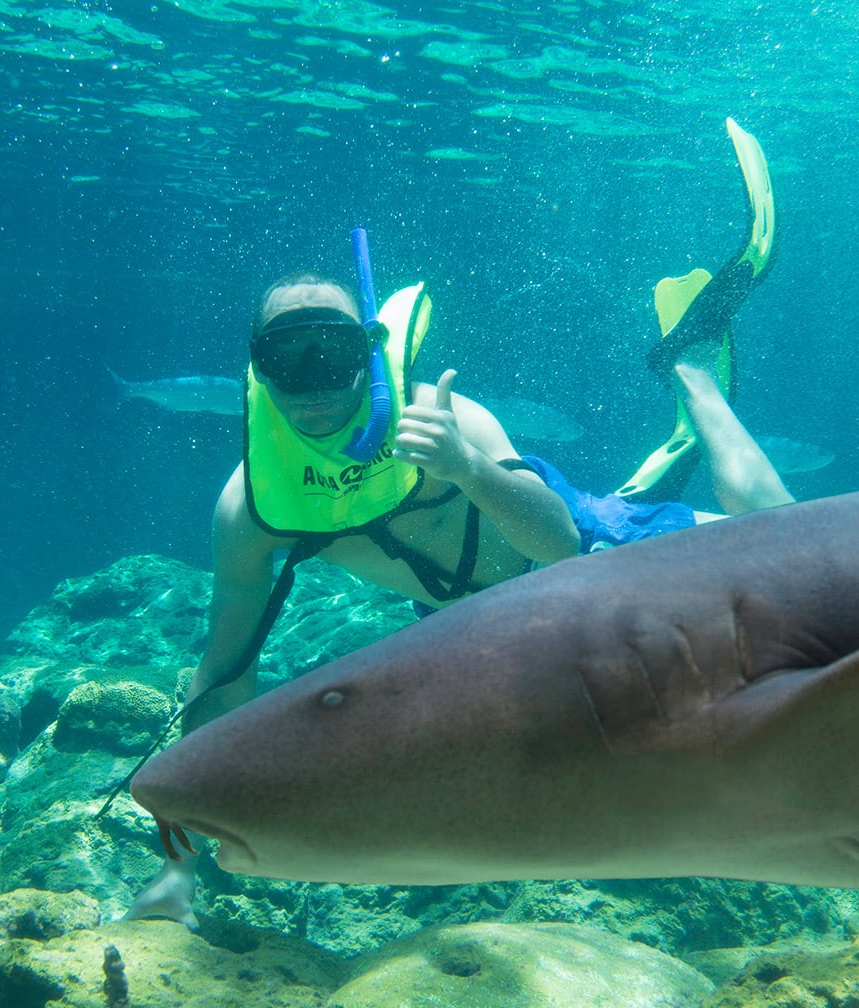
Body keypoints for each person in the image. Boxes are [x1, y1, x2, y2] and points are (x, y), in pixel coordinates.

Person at [125, 118, 786, 926]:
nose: (314, 387)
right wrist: (178, 866)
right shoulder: (250, 507)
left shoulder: (446, 419)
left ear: (369, 352)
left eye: (332, 354)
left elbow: (562, 546)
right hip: (491, 627)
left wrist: (467, 470)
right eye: (284, 361)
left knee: (782, 538)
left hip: (592, 554)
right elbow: (223, 673)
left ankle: (692, 371)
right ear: (257, 371)